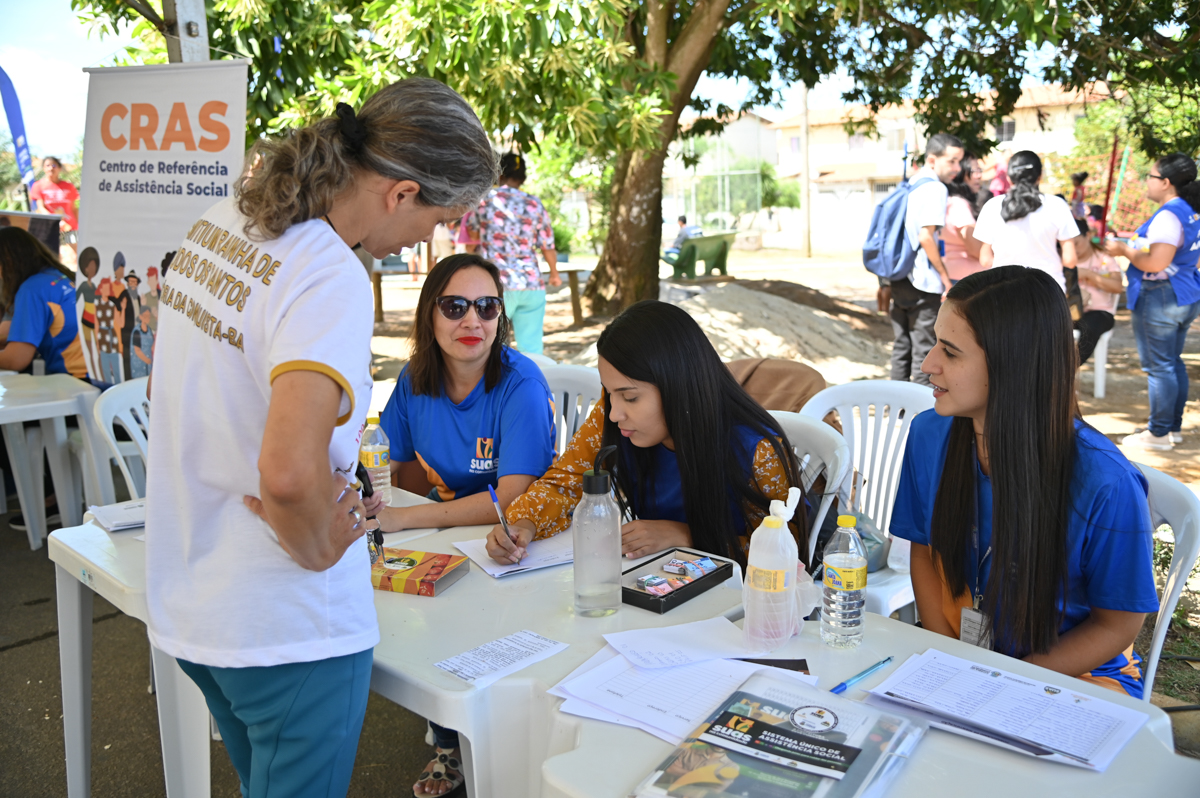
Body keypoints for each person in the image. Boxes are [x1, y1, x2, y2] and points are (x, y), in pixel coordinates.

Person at [143, 77, 497, 798]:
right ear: (401, 193)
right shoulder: (328, 273)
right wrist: (316, 545)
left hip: (196, 596)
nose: (429, 239)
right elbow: (287, 472)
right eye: (439, 218)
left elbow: (172, 390)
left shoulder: (226, 221)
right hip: (285, 623)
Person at [892, 266, 1157, 698]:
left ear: (1012, 366)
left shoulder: (1106, 483)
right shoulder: (929, 434)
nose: (928, 364)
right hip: (960, 654)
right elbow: (923, 550)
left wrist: (1002, 681)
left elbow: (1118, 624)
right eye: (936, 342)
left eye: (951, 353)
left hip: (1071, 675)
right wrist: (947, 657)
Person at [377, 253, 555, 797]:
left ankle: (481, 747)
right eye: (454, 306)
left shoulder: (520, 384)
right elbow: (393, 468)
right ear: (429, 315)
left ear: (502, 316)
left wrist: (408, 517)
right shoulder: (414, 379)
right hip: (449, 533)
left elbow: (511, 498)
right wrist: (393, 511)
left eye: (487, 307)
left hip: (520, 543)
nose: (472, 320)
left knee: (472, 620)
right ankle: (448, 741)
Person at [487, 300, 806, 568]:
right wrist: (523, 525)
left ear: (679, 388)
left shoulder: (756, 450)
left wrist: (688, 537)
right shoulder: (613, 415)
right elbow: (565, 482)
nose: (614, 413)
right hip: (656, 584)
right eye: (609, 392)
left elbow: (786, 552)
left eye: (630, 397)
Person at [1105, 153, 1200, 451]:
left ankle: (1158, 433)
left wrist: (1123, 250)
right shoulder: (1190, 211)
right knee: (1171, 362)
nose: (1146, 181)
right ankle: (1171, 428)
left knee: (1160, 367)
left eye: (1151, 176)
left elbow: (1156, 262)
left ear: (1166, 182)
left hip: (1161, 296)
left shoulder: (1168, 216)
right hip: (1184, 293)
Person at [462, 152, 561, 355]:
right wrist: (554, 273)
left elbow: (472, 235)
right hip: (531, 283)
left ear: (499, 174)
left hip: (496, 284)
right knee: (531, 348)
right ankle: (532, 376)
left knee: (493, 347)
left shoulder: (484, 201)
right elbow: (547, 245)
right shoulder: (534, 203)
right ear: (523, 178)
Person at [890, 132, 963, 385]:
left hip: (900, 276)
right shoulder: (935, 188)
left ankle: (896, 403)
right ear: (932, 160)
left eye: (959, 161)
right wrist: (945, 278)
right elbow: (926, 237)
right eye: (952, 161)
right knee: (924, 351)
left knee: (901, 347)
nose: (957, 168)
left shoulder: (910, 183)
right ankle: (921, 406)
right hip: (922, 281)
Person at [973, 151, 1079, 292]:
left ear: (1009, 177)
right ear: (1040, 176)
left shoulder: (992, 206)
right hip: (1049, 290)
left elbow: (985, 260)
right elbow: (1070, 260)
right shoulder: (1057, 205)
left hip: (1004, 291)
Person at [0, 227, 88, 377]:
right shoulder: (59, 277)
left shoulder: (32, 289)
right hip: (103, 377)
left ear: (8, 260)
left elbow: (17, 358)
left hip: (78, 379)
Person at [1072, 218, 1123, 365]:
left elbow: (1117, 287)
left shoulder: (1104, 258)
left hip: (1099, 312)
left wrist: (1089, 275)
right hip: (1071, 311)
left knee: (1089, 328)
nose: (1073, 249)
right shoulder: (1062, 258)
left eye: (1076, 243)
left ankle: (1069, 368)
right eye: (1068, 245)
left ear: (1088, 235)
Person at [941, 154, 986, 284]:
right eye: (974, 171)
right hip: (966, 280)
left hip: (958, 276)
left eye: (979, 170)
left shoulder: (950, 201)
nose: (979, 175)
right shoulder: (959, 205)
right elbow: (976, 250)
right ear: (960, 174)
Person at [29, 156, 80, 252]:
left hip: (70, 228)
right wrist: (56, 222)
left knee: (75, 254)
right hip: (50, 229)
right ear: (43, 168)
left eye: (54, 165)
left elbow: (74, 208)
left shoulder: (69, 186)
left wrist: (80, 225)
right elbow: (41, 208)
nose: (51, 168)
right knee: (52, 254)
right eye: (47, 165)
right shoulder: (38, 186)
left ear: (59, 168)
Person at [76, 246, 101, 377]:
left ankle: (101, 373)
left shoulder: (94, 286)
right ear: (85, 268)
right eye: (90, 266)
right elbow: (75, 299)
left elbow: (99, 297)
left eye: (94, 266)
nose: (92, 268)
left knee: (98, 350)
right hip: (86, 319)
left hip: (94, 319)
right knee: (90, 351)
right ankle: (94, 374)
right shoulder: (83, 285)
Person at [94, 277, 122, 385]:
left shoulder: (112, 305)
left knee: (116, 369)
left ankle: (118, 389)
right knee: (105, 369)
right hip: (102, 337)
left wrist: (123, 309)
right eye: (104, 288)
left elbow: (120, 323)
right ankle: (108, 389)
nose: (106, 291)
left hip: (112, 338)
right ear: (100, 289)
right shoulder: (97, 304)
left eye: (107, 288)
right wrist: (97, 343)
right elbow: (96, 324)